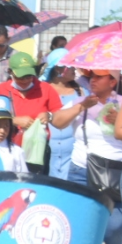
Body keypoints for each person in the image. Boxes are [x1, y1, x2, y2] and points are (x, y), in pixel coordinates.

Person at [63, 70, 122, 244]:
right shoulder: (81, 101)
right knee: (83, 225)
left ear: (113, 80)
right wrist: (81, 107)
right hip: (82, 170)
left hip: (114, 172)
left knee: (116, 225)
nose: (93, 80)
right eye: (91, 76)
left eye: (99, 76)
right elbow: (58, 122)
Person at [0, 52, 64, 172]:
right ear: (10, 72)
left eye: (29, 76)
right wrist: (13, 120)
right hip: (8, 149)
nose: (25, 80)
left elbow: (60, 117)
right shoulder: (0, 90)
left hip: (38, 151)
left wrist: (49, 115)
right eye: (20, 77)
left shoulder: (46, 89)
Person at [44, 50, 80, 181]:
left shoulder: (80, 91)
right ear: (59, 69)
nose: (73, 68)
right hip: (47, 154)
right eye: (69, 65)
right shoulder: (43, 89)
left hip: (73, 157)